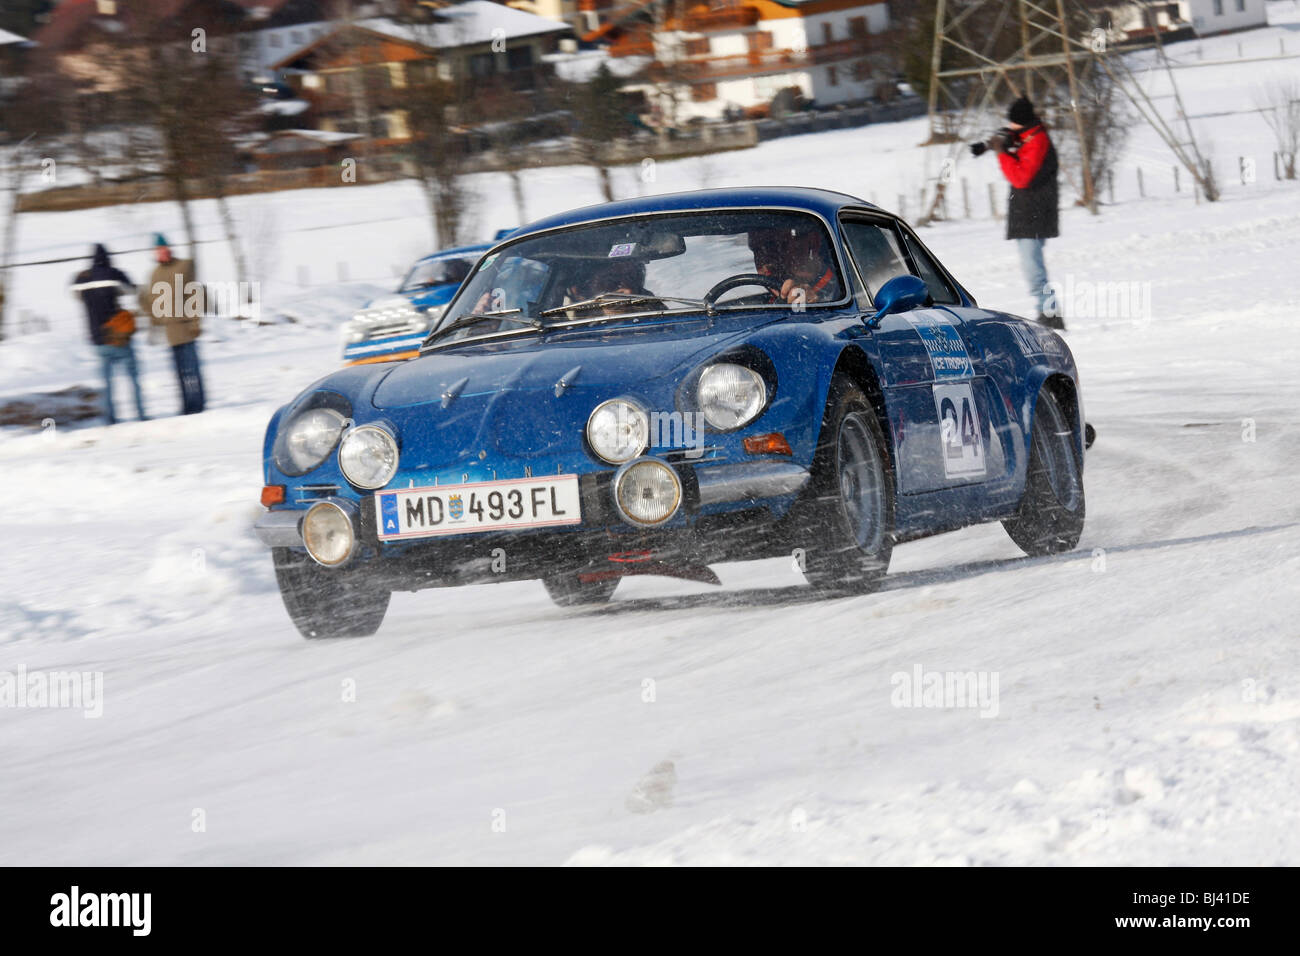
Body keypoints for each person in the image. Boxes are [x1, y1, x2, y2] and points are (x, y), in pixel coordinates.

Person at [970, 97, 1062, 329]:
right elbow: (1011, 141)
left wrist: (1000, 152)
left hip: (1034, 213)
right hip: (1027, 212)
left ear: (1022, 122)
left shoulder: (1038, 141)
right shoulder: (1029, 135)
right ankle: (1048, 311)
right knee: (1031, 266)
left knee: (1033, 268)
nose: (1010, 127)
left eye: (1013, 123)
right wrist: (988, 145)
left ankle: (1050, 313)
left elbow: (1021, 178)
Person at [72, 244, 145, 424]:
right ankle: (141, 416)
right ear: (108, 258)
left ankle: (110, 419)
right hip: (118, 337)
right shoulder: (114, 274)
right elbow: (132, 289)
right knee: (133, 378)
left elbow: (74, 294)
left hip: (98, 340)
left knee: (107, 383)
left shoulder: (82, 278)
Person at [140, 233, 205, 414]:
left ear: (170, 249)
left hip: (186, 328)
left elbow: (194, 295)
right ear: (155, 253)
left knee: (192, 371)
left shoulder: (183, 266)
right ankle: (186, 405)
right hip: (170, 332)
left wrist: (195, 323)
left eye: (165, 249)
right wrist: (149, 312)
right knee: (180, 374)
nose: (163, 253)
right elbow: (153, 302)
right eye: (159, 251)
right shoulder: (155, 274)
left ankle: (198, 405)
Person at [747, 223, 839, 304]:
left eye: (773, 246)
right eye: (756, 250)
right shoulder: (769, 301)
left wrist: (811, 307)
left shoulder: (837, 294)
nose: (763, 261)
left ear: (813, 242)